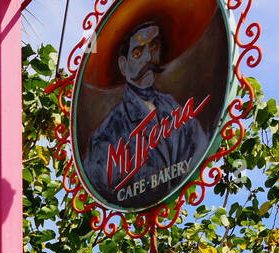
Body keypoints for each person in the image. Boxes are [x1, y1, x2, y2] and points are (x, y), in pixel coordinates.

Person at [81, 16, 212, 209]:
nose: (148, 58)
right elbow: (103, 187)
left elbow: (202, 149)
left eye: (153, 46)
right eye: (137, 52)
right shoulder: (107, 134)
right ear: (123, 65)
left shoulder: (172, 107)